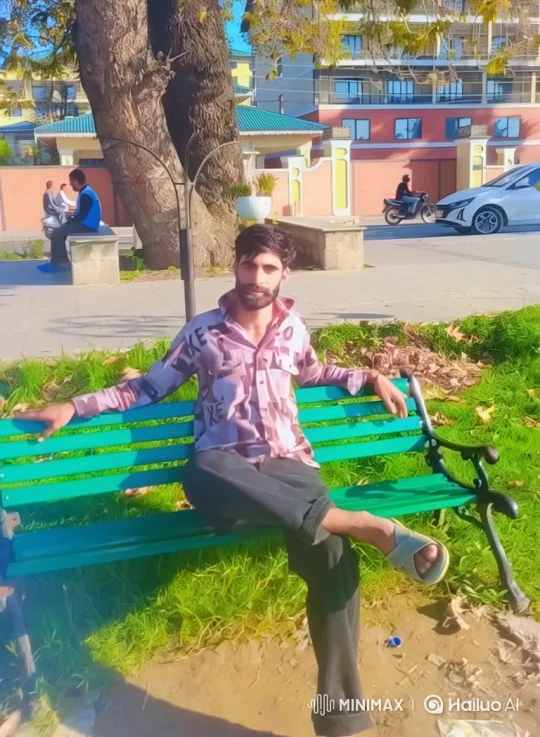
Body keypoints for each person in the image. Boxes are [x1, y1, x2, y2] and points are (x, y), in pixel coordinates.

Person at [20, 225, 450, 737]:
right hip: (226, 480)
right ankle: (353, 520)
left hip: (290, 474)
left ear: (283, 274)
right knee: (204, 467)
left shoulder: (294, 329)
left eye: (269, 268)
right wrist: (73, 404)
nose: (257, 276)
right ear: (236, 266)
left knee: (335, 560)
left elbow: (316, 372)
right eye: (249, 264)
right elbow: (149, 389)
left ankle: (342, 723)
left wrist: (372, 376)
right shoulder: (203, 332)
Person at [38, 168, 102, 274]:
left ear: (76, 181)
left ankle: (61, 264)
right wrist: (70, 218)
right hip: (87, 224)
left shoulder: (86, 194)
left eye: (71, 182)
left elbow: (81, 216)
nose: (71, 185)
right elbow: (81, 212)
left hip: (87, 226)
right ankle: (57, 262)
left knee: (57, 233)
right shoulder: (86, 191)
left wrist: (69, 221)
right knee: (60, 231)